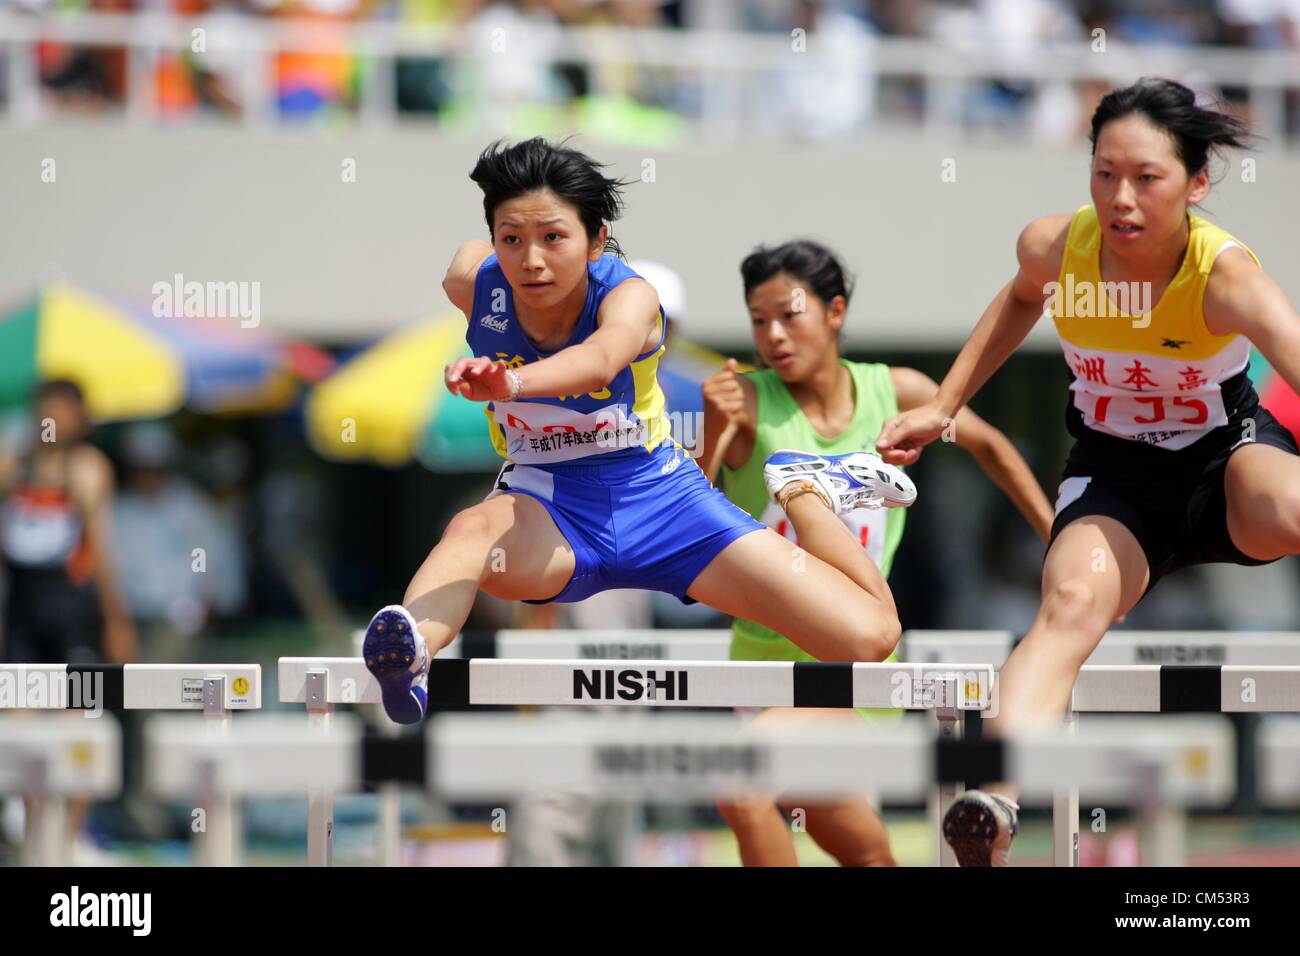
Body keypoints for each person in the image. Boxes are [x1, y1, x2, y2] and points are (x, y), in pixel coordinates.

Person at [875, 77, 1300, 866]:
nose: (1121, 199)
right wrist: (946, 403)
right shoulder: (1055, 246)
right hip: (1115, 479)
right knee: (1068, 603)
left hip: (1224, 462)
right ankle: (990, 800)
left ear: (1197, 184)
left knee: (1289, 502)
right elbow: (1019, 300)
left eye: (1147, 178)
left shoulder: (1225, 277)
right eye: (1105, 174)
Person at [358, 137, 915, 729]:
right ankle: (411, 651)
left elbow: (600, 361)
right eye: (511, 238)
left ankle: (806, 489)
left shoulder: (632, 296)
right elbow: (463, 266)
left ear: (596, 241)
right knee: (470, 530)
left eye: (554, 237)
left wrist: (510, 385)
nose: (531, 260)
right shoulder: (477, 279)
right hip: (549, 508)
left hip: (664, 500)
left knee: (868, 639)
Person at [702, 239, 1055, 867]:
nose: (773, 336)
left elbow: (994, 446)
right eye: (758, 321)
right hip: (759, 666)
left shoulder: (898, 391)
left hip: (855, 668)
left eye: (790, 314)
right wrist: (708, 428)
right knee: (867, 859)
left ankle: (813, 485)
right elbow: (690, 515)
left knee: (742, 785)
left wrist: (1058, 540)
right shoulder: (744, 400)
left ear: (835, 312)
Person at [0, 379, 135, 664]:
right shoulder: (13, 466)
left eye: (59, 413)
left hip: (70, 601)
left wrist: (116, 622)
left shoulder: (87, 469)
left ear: (78, 418)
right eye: (45, 412)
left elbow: (102, 549)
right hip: (22, 600)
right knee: (19, 699)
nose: (49, 421)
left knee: (73, 699)